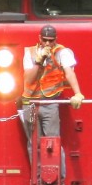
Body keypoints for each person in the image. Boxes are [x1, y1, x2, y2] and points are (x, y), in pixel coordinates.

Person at [20, 24, 84, 175]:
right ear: (39, 38)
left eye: (51, 40)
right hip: (30, 102)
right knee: (33, 143)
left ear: (55, 39)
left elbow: (69, 73)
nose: (48, 44)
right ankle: (37, 179)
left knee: (52, 142)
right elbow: (28, 78)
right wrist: (38, 61)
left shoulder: (62, 52)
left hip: (50, 102)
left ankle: (57, 178)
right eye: (45, 40)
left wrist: (78, 93)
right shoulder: (29, 52)